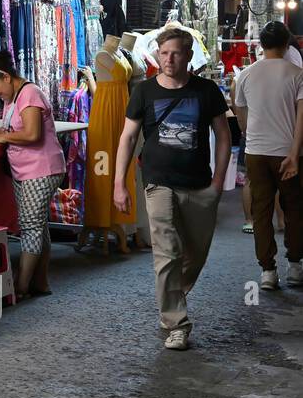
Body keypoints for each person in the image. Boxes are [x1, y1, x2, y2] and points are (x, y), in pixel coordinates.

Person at [114, 27, 231, 351]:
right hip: (158, 181)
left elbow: (223, 136)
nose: (169, 59)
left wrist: (219, 181)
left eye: (176, 53)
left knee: (195, 254)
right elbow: (127, 138)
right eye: (164, 53)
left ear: (189, 56)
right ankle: (176, 323)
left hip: (199, 184)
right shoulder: (144, 92)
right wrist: (118, 183)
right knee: (167, 254)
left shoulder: (206, 91)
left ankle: (172, 295)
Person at [0, 51, 66, 298]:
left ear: (6, 77)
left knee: (30, 226)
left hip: (42, 168)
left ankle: (21, 285)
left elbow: (32, 134)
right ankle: (41, 282)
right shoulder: (12, 98)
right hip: (24, 170)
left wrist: (1, 136)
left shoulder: (30, 94)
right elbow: (14, 128)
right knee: (36, 225)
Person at [233, 20, 303, 289]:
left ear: (261, 45)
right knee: (294, 208)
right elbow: (300, 120)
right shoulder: (297, 74)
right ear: (286, 45)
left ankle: (267, 272)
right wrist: (295, 154)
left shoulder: (246, 75)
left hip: (256, 152)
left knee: (260, 212)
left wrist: (251, 136)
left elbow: (241, 113)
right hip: (288, 152)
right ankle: (295, 265)